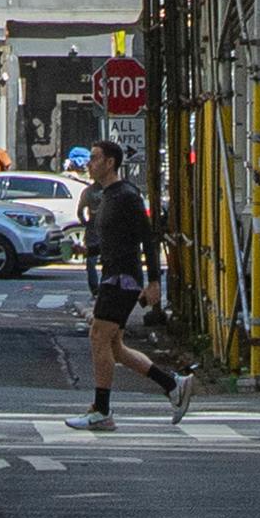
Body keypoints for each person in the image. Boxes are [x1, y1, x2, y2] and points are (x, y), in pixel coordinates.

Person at [75, 138, 187, 426]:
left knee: (98, 335)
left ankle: (102, 411)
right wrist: (88, 251)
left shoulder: (126, 195)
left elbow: (146, 238)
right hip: (113, 273)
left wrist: (154, 281)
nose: (90, 163)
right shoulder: (106, 195)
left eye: (95, 158)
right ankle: (173, 385)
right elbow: (116, 240)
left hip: (123, 279)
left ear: (110, 162)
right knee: (115, 348)